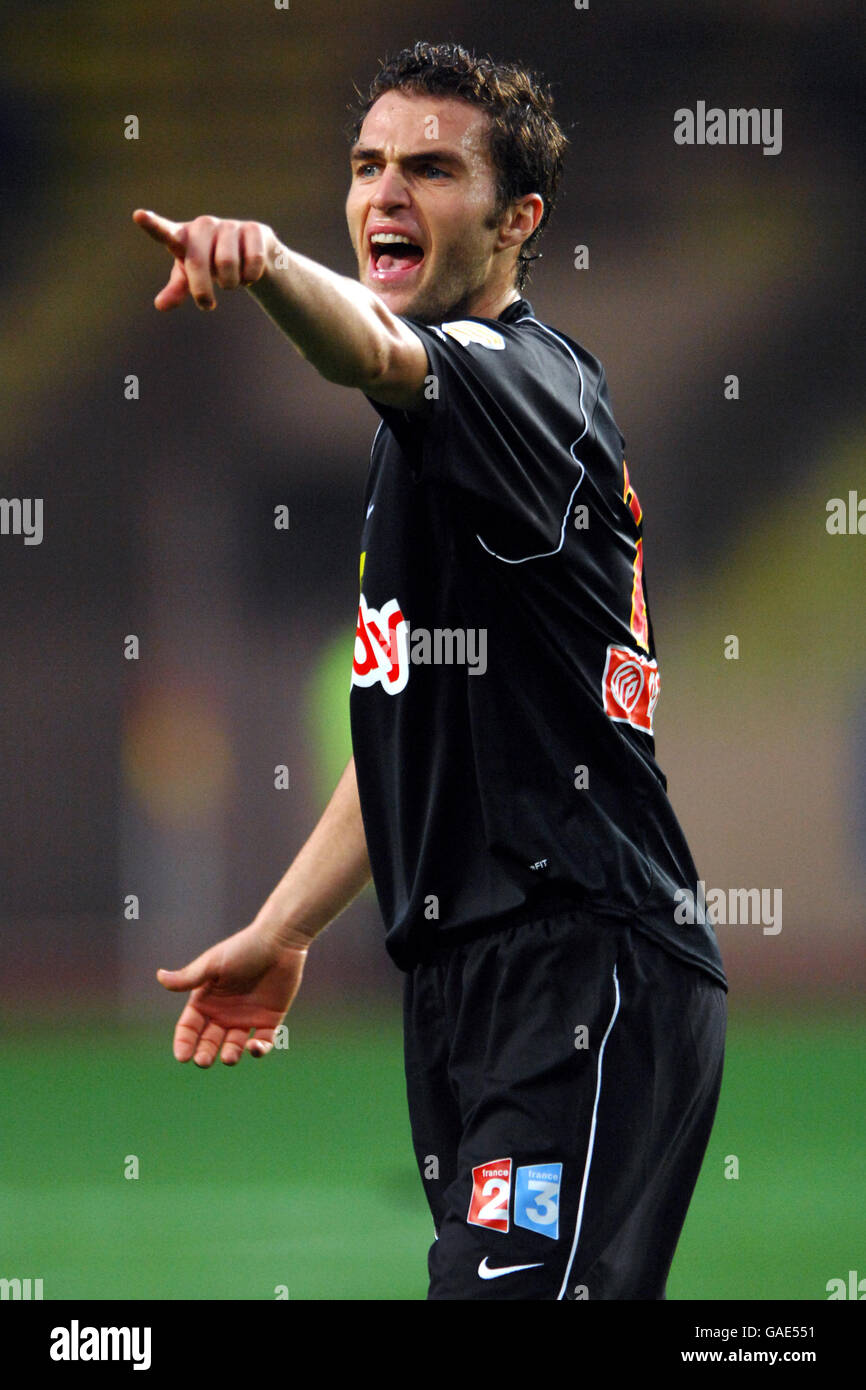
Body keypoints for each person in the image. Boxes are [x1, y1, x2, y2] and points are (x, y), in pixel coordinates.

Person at [136, 41, 727, 1301]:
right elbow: (412, 735)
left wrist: (264, 260)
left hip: (583, 959)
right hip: (471, 979)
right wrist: (284, 926)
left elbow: (369, 351)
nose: (384, 193)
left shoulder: (524, 382)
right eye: (365, 166)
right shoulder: (426, 447)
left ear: (518, 221)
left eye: (431, 169)